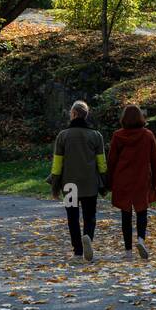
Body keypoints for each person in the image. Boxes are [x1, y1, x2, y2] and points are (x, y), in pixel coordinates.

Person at [49, 100, 107, 263]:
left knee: (72, 218)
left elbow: (57, 164)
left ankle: (77, 252)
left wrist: (54, 185)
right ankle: (87, 236)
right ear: (86, 114)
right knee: (90, 216)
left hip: (69, 185)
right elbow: (102, 163)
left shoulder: (63, 136)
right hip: (90, 184)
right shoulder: (96, 135)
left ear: (73, 114)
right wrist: (104, 181)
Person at [107, 103, 156, 261]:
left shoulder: (118, 136)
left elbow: (112, 160)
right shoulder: (148, 135)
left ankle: (128, 251)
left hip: (123, 178)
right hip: (142, 178)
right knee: (142, 210)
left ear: (124, 118)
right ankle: (141, 240)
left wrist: (109, 181)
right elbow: (155, 160)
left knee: (126, 213)